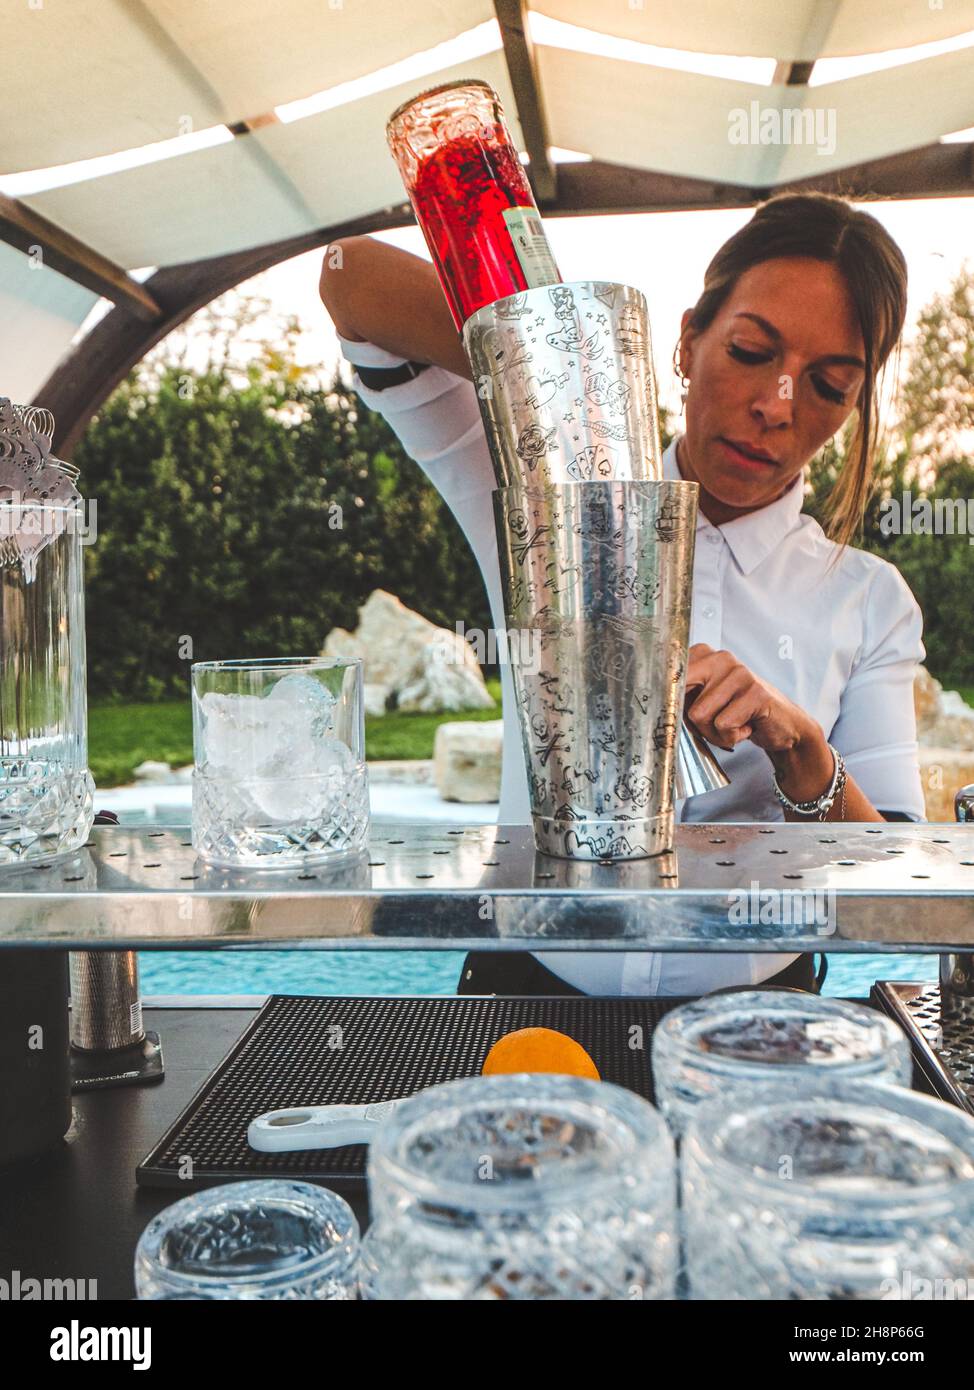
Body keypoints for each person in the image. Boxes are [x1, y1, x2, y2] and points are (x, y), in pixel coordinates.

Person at [319, 192, 925, 997]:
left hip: (758, 1021)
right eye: (750, 351)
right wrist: (578, 381)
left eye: (827, 384)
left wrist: (802, 751)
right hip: (523, 994)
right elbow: (350, 280)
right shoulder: (540, 486)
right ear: (685, 339)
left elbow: (898, 871)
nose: (777, 407)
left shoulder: (867, 598)